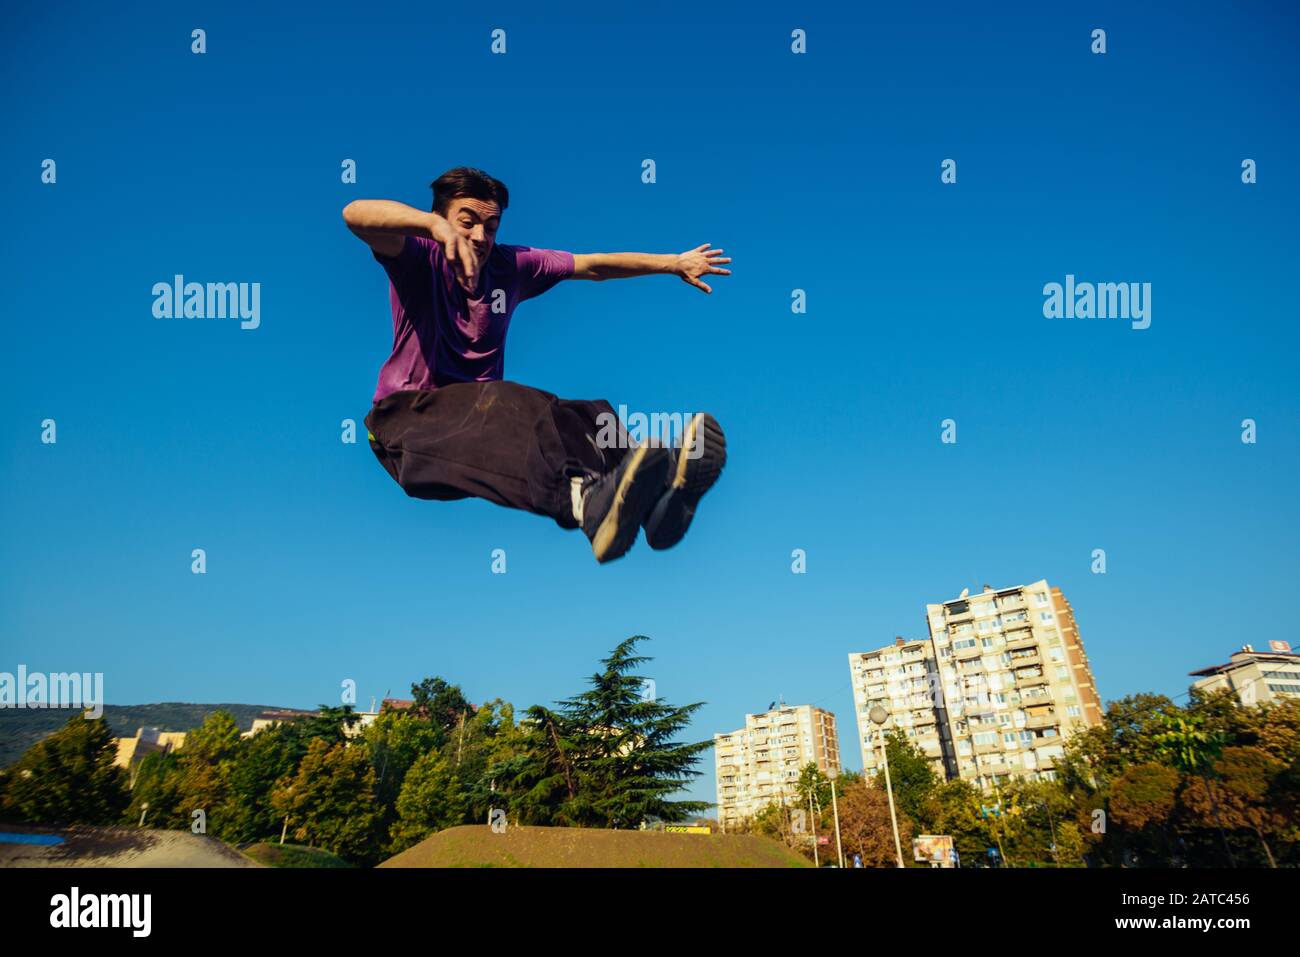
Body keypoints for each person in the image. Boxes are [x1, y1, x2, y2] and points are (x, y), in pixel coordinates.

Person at [343, 167, 730, 563]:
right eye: (467, 222)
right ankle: (586, 504)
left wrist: (673, 263)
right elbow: (354, 213)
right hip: (403, 428)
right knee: (508, 404)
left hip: (475, 426)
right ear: (443, 218)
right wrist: (431, 228)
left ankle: (655, 501)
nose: (480, 237)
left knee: (584, 416)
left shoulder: (511, 267)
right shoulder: (418, 256)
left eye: (491, 227)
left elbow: (593, 266)